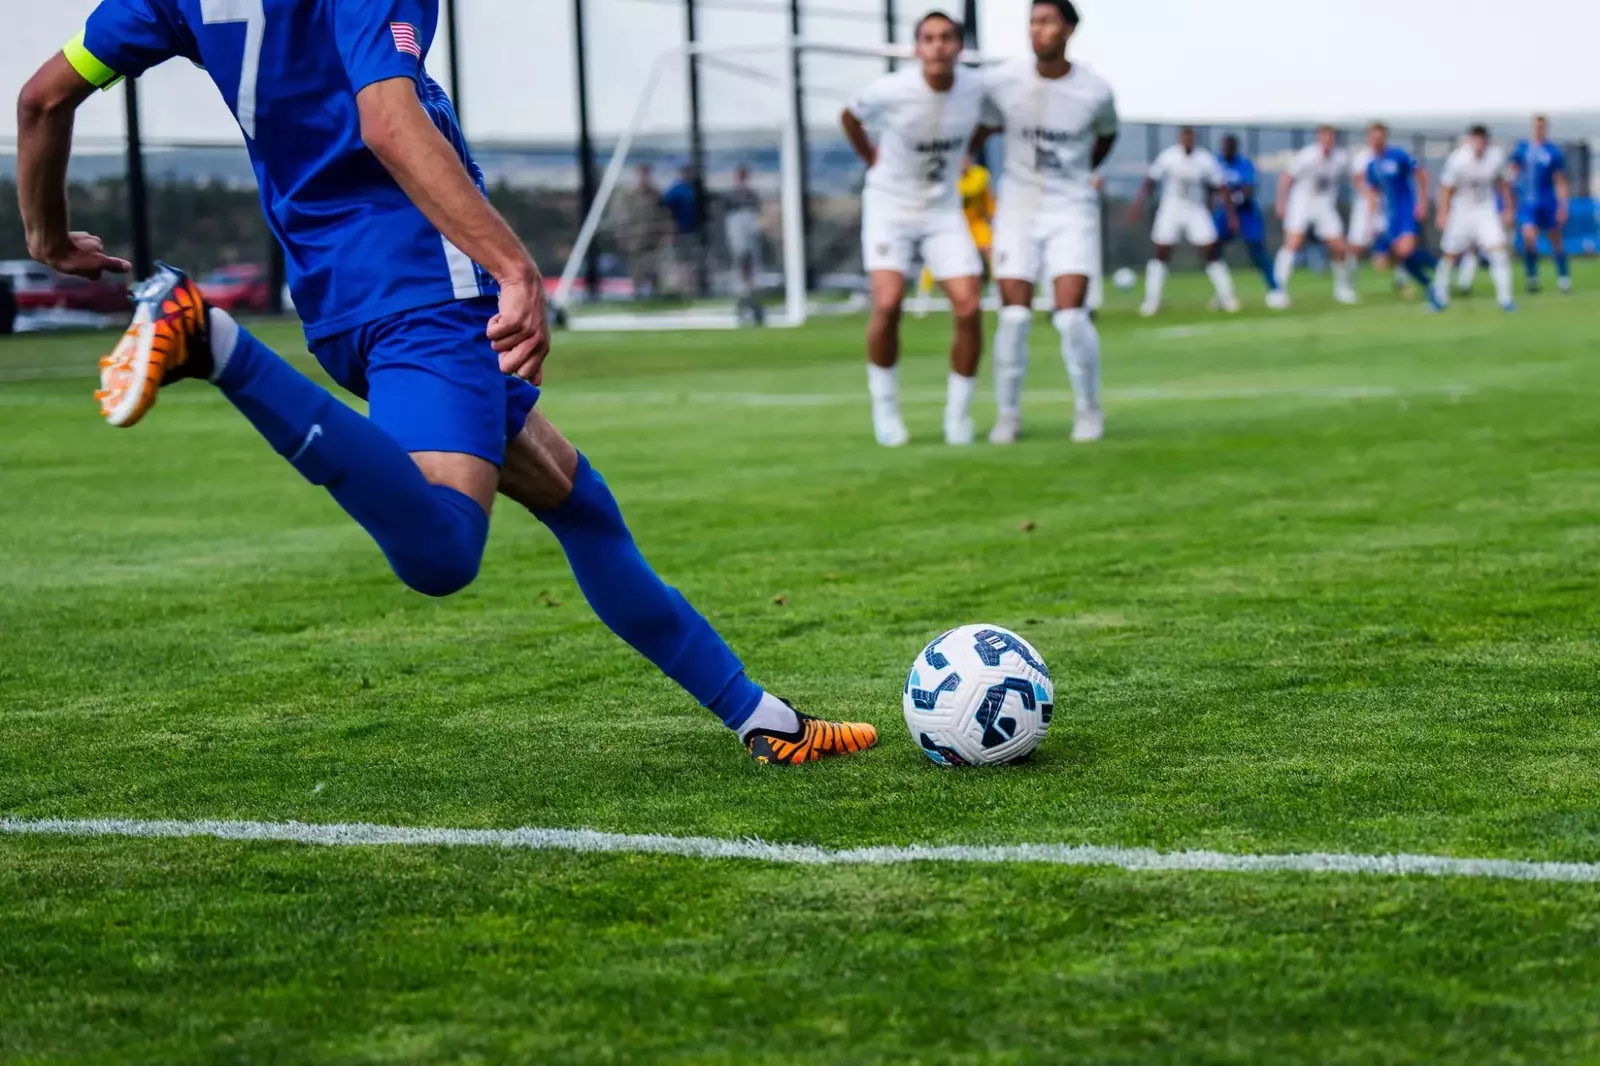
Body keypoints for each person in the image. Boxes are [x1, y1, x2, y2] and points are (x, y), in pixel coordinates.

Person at [17, 0, 875, 765]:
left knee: (579, 503)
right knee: (442, 549)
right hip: (425, 281)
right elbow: (388, 121)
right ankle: (213, 341)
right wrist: (514, 266)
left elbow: (42, 97)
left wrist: (48, 236)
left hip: (334, 292)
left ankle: (764, 721)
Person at [841, 10, 988, 447]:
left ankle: (957, 415)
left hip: (942, 209)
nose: (938, 46)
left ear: (960, 46)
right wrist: (871, 158)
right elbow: (849, 117)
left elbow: (994, 122)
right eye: (929, 38)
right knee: (888, 303)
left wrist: (967, 151)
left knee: (969, 306)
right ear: (916, 48)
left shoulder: (977, 90)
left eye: (946, 38)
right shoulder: (891, 90)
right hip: (890, 205)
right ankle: (885, 411)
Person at [976, 0, 1116, 445]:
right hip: (1017, 210)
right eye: (1033, 21)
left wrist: (1078, 175)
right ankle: (1007, 414)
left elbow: (1106, 135)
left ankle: (1089, 409)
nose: (1038, 30)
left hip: (1071, 208)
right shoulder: (1003, 83)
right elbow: (978, 127)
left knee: (1071, 316)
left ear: (1069, 30)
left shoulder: (1095, 91)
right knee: (1014, 316)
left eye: (1048, 22)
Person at [1129, 127, 1239, 317]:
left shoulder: (1205, 159)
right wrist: (1138, 205)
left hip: (1196, 209)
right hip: (1171, 207)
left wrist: (1232, 216)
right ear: (1180, 139)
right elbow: (1150, 181)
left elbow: (1221, 186)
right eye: (1185, 137)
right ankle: (1152, 301)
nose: (1188, 141)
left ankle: (1227, 297)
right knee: (1161, 251)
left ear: (1194, 139)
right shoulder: (1168, 157)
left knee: (1210, 251)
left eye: (1191, 138)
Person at [1272, 125, 1358, 308]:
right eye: (1324, 137)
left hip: (1324, 205)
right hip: (1301, 202)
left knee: (1339, 247)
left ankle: (1343, 289)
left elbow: (1355, 176)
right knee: (1292, 244)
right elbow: (1286, 178)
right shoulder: (1307, 156)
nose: (1327, 142)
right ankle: (1278, 290)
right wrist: (1281, 202)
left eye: (1331, 138)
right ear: (1319, 138)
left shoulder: (1341, 158)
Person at [1434, 125, 1516, 312]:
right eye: (1475, 139)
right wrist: (1443, 213)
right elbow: (1446, 188)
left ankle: (1506, 299)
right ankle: (1440, 297)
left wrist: (1508, 208)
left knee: (1498, 251)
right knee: (1450, 253)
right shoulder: (1458, 159)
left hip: (1485, 209)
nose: (1479, 144)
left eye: (1482, 139)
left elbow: (1503, 184)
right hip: (1461, 209)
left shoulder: (1495, 157)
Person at [1363, 123, 1441, 309]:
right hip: (1391, 215)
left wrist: (1422, 201)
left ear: (1385, 138)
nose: (1376, 141)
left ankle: (1440, 268)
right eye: (1373, 137)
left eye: (1379, 137)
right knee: (1394, 259)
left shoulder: (1398, 155)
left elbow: (1421, 173)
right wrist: (1370, 219)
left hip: (1406, 209)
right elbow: (1373, 193)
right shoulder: (1372, 165)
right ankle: (1431, 283)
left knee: (1405, 250)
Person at [1214, 134, 1280, 306]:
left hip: (1247, 213)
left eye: (1230, 146)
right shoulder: (1216, 163)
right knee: (1212, 250)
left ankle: (1275, 290)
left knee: (1257, 251)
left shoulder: (1244, 164)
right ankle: (1224, 292)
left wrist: (1232, 199)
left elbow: (1248, 189)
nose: (1226, 150)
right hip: (1225, 213)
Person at [1507, 114, 1571, 294]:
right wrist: (1510, 200)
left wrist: (1562, 205)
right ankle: (1532, 278)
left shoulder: (1552, 151)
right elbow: (1511, 173)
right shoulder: (1523, 149)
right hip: (1528, 202)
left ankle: (1563, 278)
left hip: (1547, 200)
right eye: (1537, 126)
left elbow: (1560, 180)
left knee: (1555, 239)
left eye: (1542, 126)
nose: (1539, 129)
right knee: (1529, 237)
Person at [613, 163, 668, 299]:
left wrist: (664, 234)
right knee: (637, 269)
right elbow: (623, 218)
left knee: (655, 267)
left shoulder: (656, 194)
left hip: (653, 238)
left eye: (646, 173)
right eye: (641, 173)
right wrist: (623, 236)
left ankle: (656, 293)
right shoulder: (629, 195)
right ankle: (637, 293)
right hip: (636, 239)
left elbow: (664, 216)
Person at [723, 165, 764, 325]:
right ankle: (743, 299)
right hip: (737, 238)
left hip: (748, 240)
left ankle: (751, 297)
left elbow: (757, 215)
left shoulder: (752, 196)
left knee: (749, 262)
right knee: (741, 261)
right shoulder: (730, 197)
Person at [660, 165, 700, 296]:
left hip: (692, 231)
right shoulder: (676, 190)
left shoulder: (694, 188)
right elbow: (666, 208)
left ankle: (691, 289)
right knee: (680, 262)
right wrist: (670, 228)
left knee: (691, 262)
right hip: (679, 231)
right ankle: (681, 289)